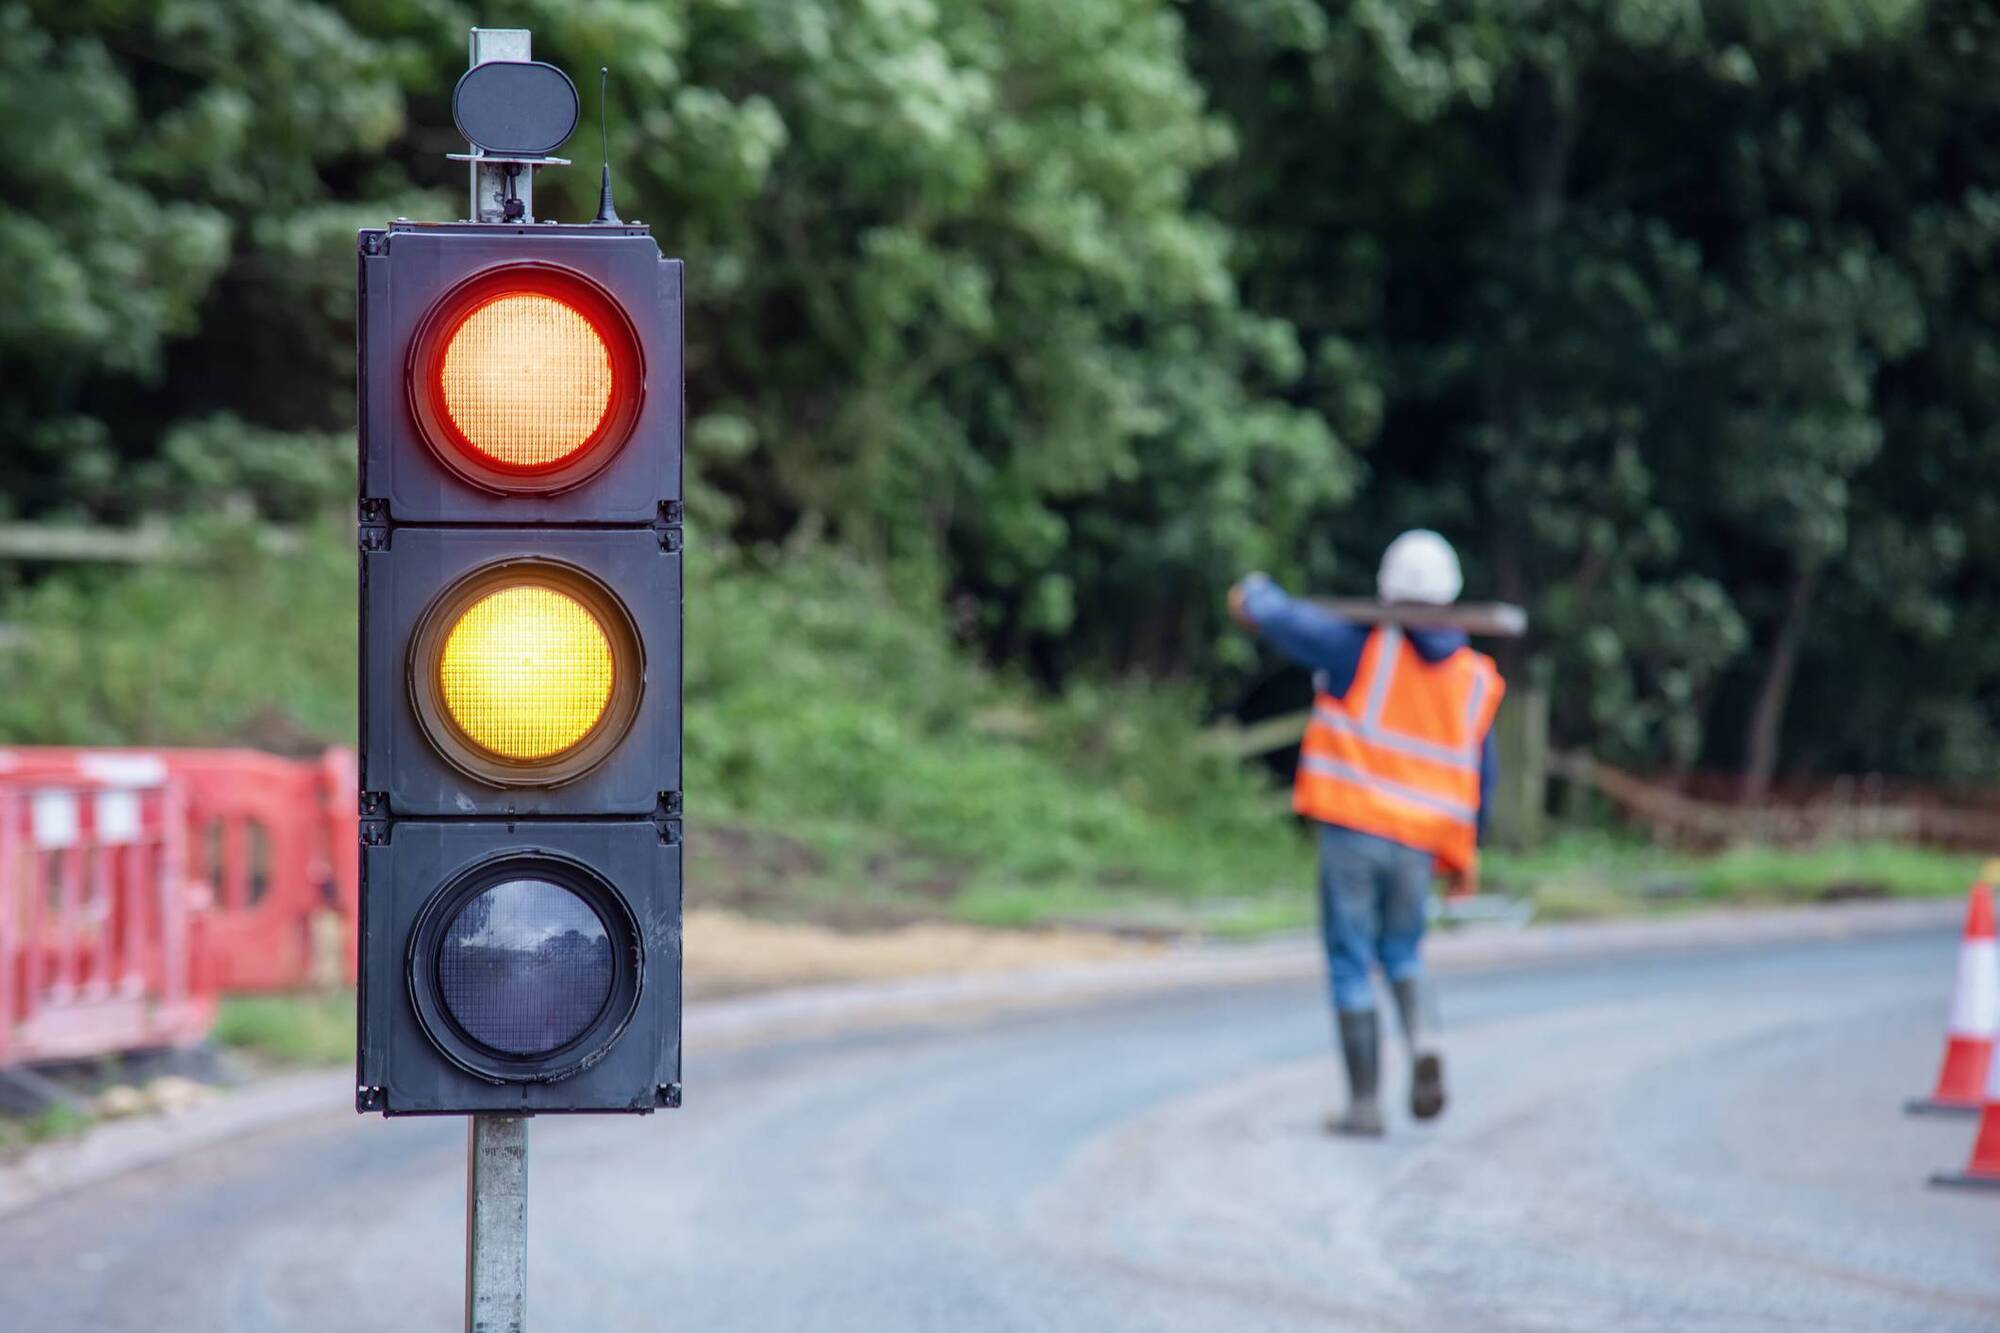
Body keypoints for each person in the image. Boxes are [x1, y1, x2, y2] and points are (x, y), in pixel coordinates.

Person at [1229, 530, 1504, 1137]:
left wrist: (1253, 593)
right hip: (1420, 845)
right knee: (1403, 952)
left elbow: (1280, 618)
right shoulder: (1473, 679)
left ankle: (1364, 1105)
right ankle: (1426, 1039)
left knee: (1352, 961)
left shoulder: (1361, 649)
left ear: (1387, 588)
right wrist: (1468, 851)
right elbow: (1483, 774)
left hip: (1354, 831)